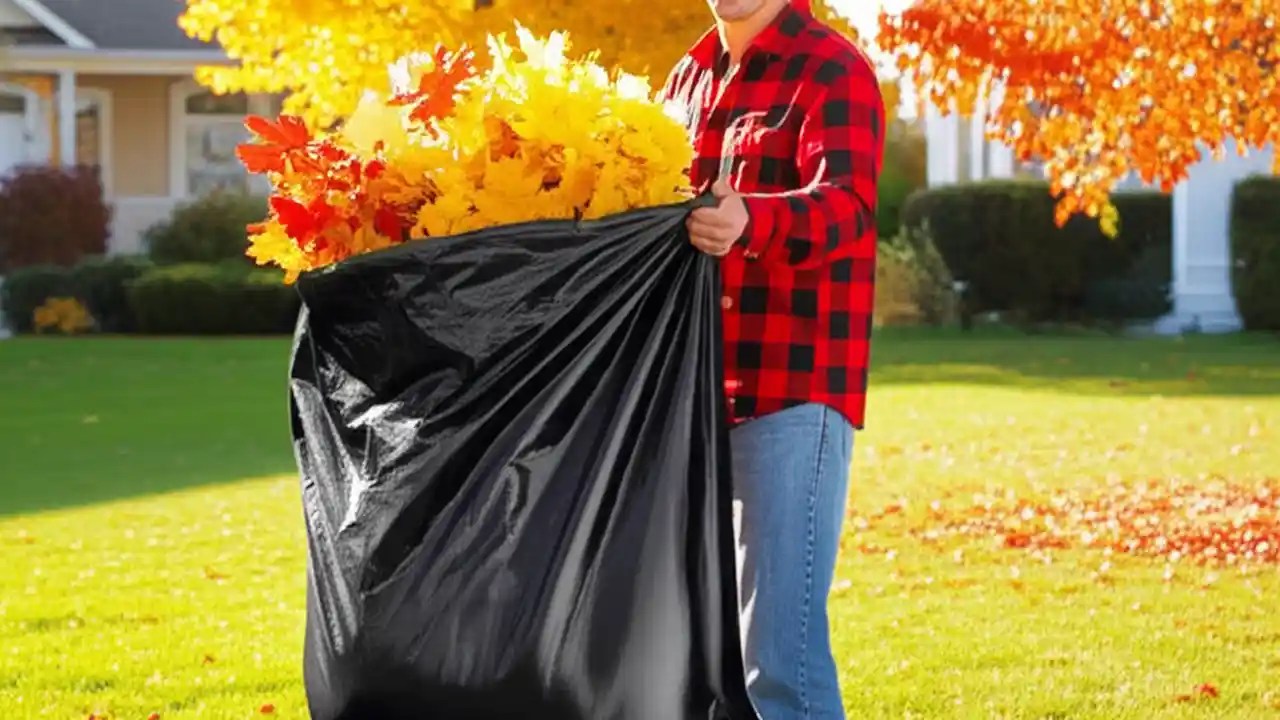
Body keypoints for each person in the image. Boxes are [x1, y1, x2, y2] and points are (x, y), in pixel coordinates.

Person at [661, 0, 884, 717]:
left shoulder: (832, 69)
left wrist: (751, 216)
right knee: (707, 668)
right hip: (689, 403)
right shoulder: (686, 81)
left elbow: (847, 205)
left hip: (789, 394)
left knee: (778, 667)